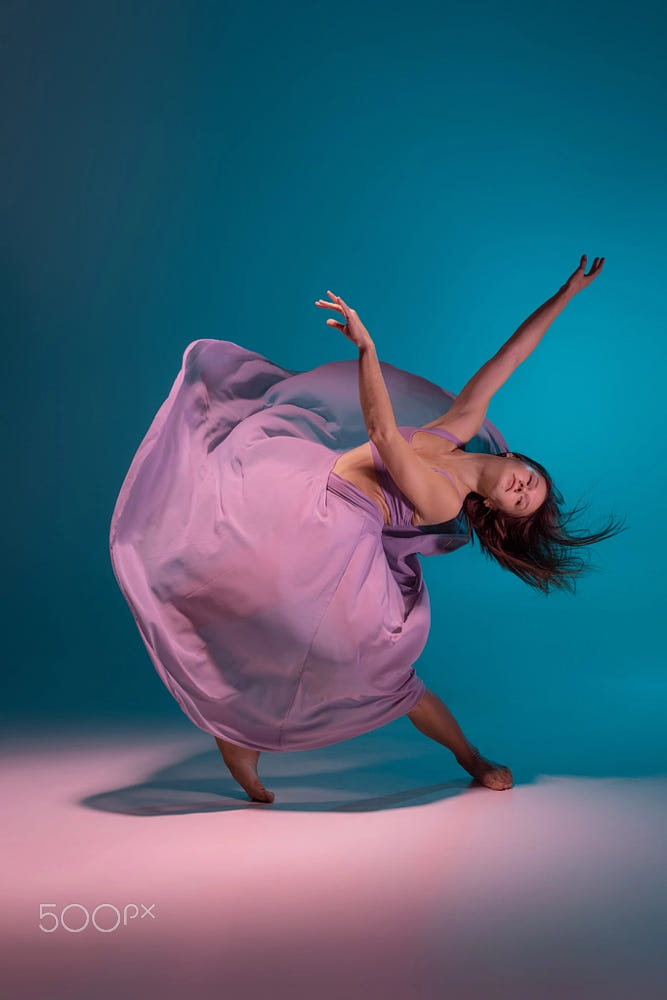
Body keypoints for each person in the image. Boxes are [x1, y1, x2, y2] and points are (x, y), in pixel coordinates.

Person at [109, 254, 621, 804]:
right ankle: (236, 732)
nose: (521, 490)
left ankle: (469, 758)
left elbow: (383, 434)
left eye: (521, 502)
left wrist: (366, 349)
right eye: (529, 482)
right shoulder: (457, 428)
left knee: (384, 673)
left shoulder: (443, 497)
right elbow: (510, 356)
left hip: (331, 529)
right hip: (304, 480)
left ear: (497, 509)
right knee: (211, 554)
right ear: (518, 459)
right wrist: (567, 293)